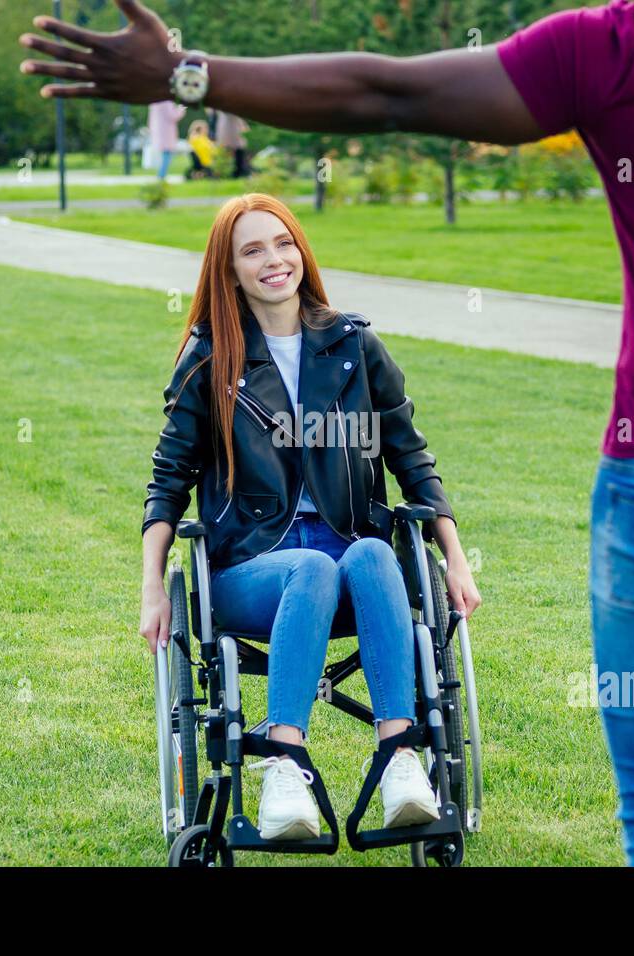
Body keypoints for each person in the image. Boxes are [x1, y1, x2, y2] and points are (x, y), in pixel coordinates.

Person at [20, 0, 634, 865]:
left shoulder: (619, 46)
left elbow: (382, 91)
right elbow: (171, 472)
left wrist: (190, 75)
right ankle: (314, 761)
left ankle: (380, 756)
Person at [136, 192, 482, 839]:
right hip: (252, 569)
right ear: (229, 270)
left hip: (354, 562)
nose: (274, 259)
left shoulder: (353, 346)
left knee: (374, 553)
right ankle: (284, 765)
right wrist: (153, 585)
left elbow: (411, 456)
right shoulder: (210, 360)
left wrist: (454, 559)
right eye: (253, 250)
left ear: (302, 251)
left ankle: (401, 759)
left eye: (284, 242)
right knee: (309, 571)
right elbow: (169, 478)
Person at [146, 99, 186, 179]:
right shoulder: (166, 102)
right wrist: (181, 109)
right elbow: (172, 116)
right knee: (167, 154)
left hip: (158, 131)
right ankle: (161, 175)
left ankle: (161, 175)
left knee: (165, 155)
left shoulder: (154, 103)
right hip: (166, 131)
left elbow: (150, 118)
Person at [214, 110, 252, 178]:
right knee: (233, 158)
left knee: (236, 158)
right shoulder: (227, 115)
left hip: (232, 141)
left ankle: (236, 173)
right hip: (232, 141)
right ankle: (234, 173)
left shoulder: (226, 115)